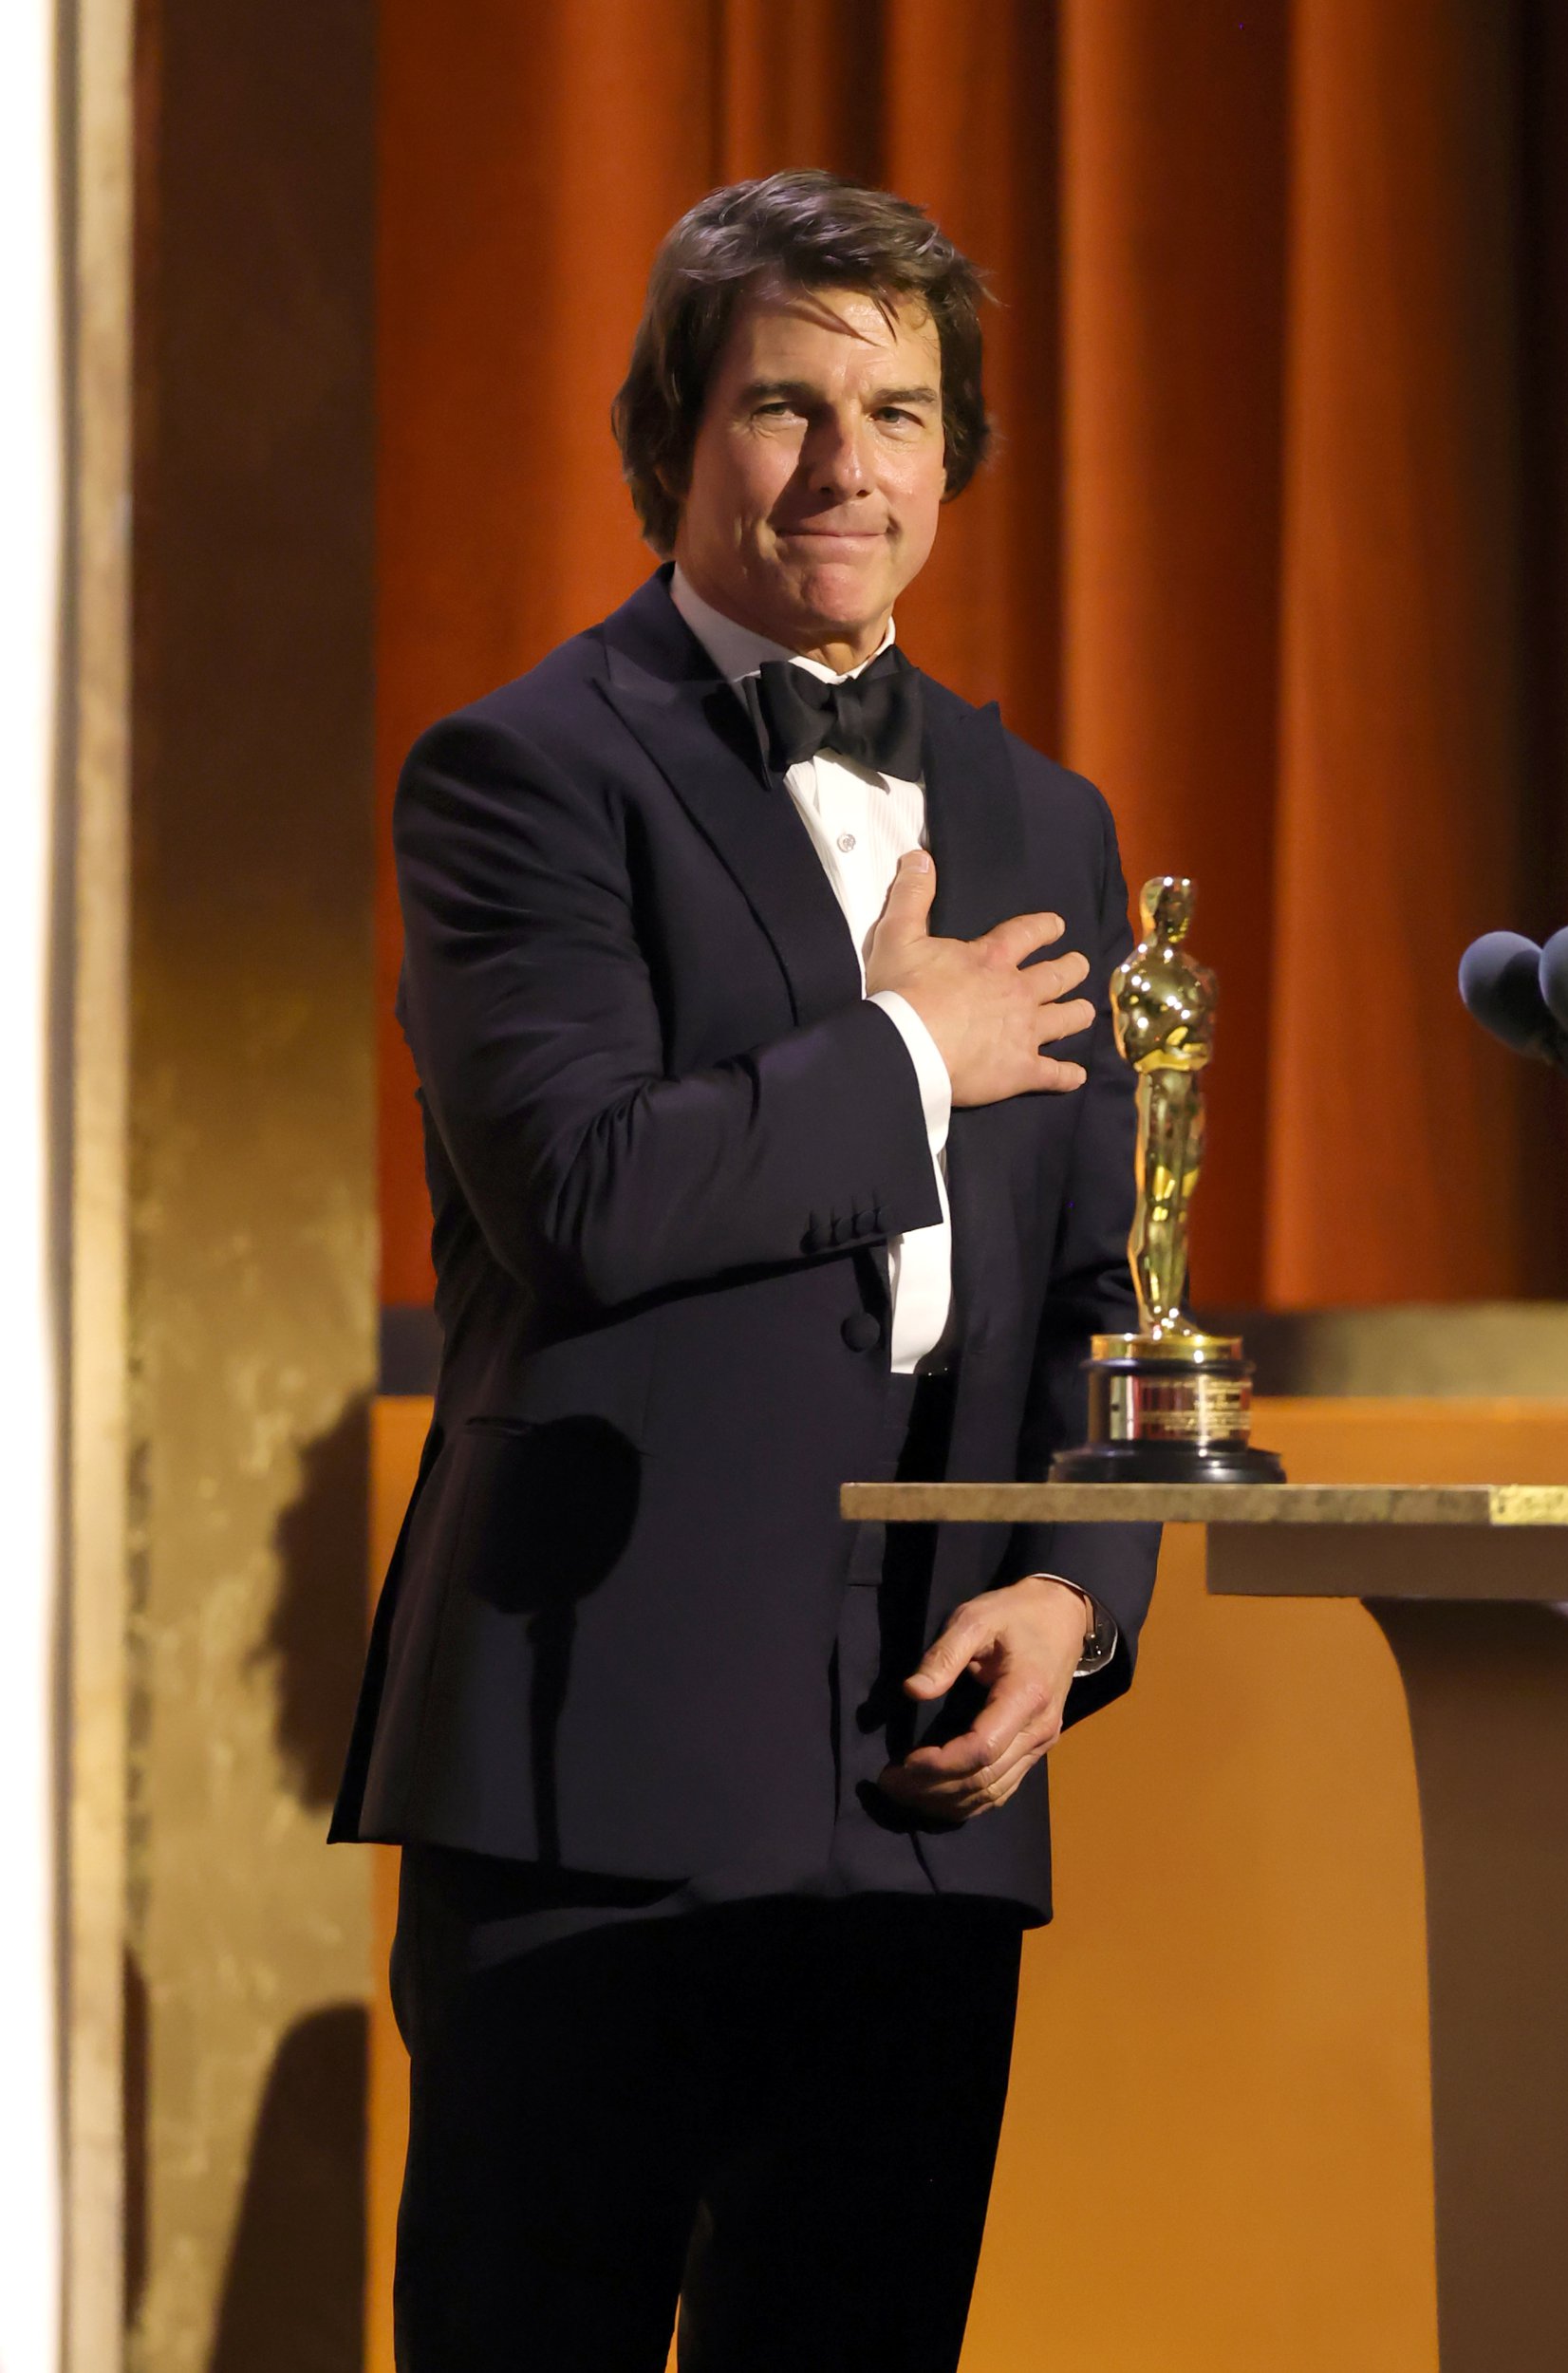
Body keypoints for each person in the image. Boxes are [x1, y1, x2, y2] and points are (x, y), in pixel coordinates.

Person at [331, 168, 1160, 2373]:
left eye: (896, 413)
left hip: (927, 1788)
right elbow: (585, 1188)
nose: (846, 468)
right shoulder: (520, 774)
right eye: (784, 409)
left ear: (951, 456)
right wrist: (909, 1048)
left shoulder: (1041, 815)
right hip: (599, 1756)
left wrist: (1071, 1595)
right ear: (670, 447)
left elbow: (1105, 1286)